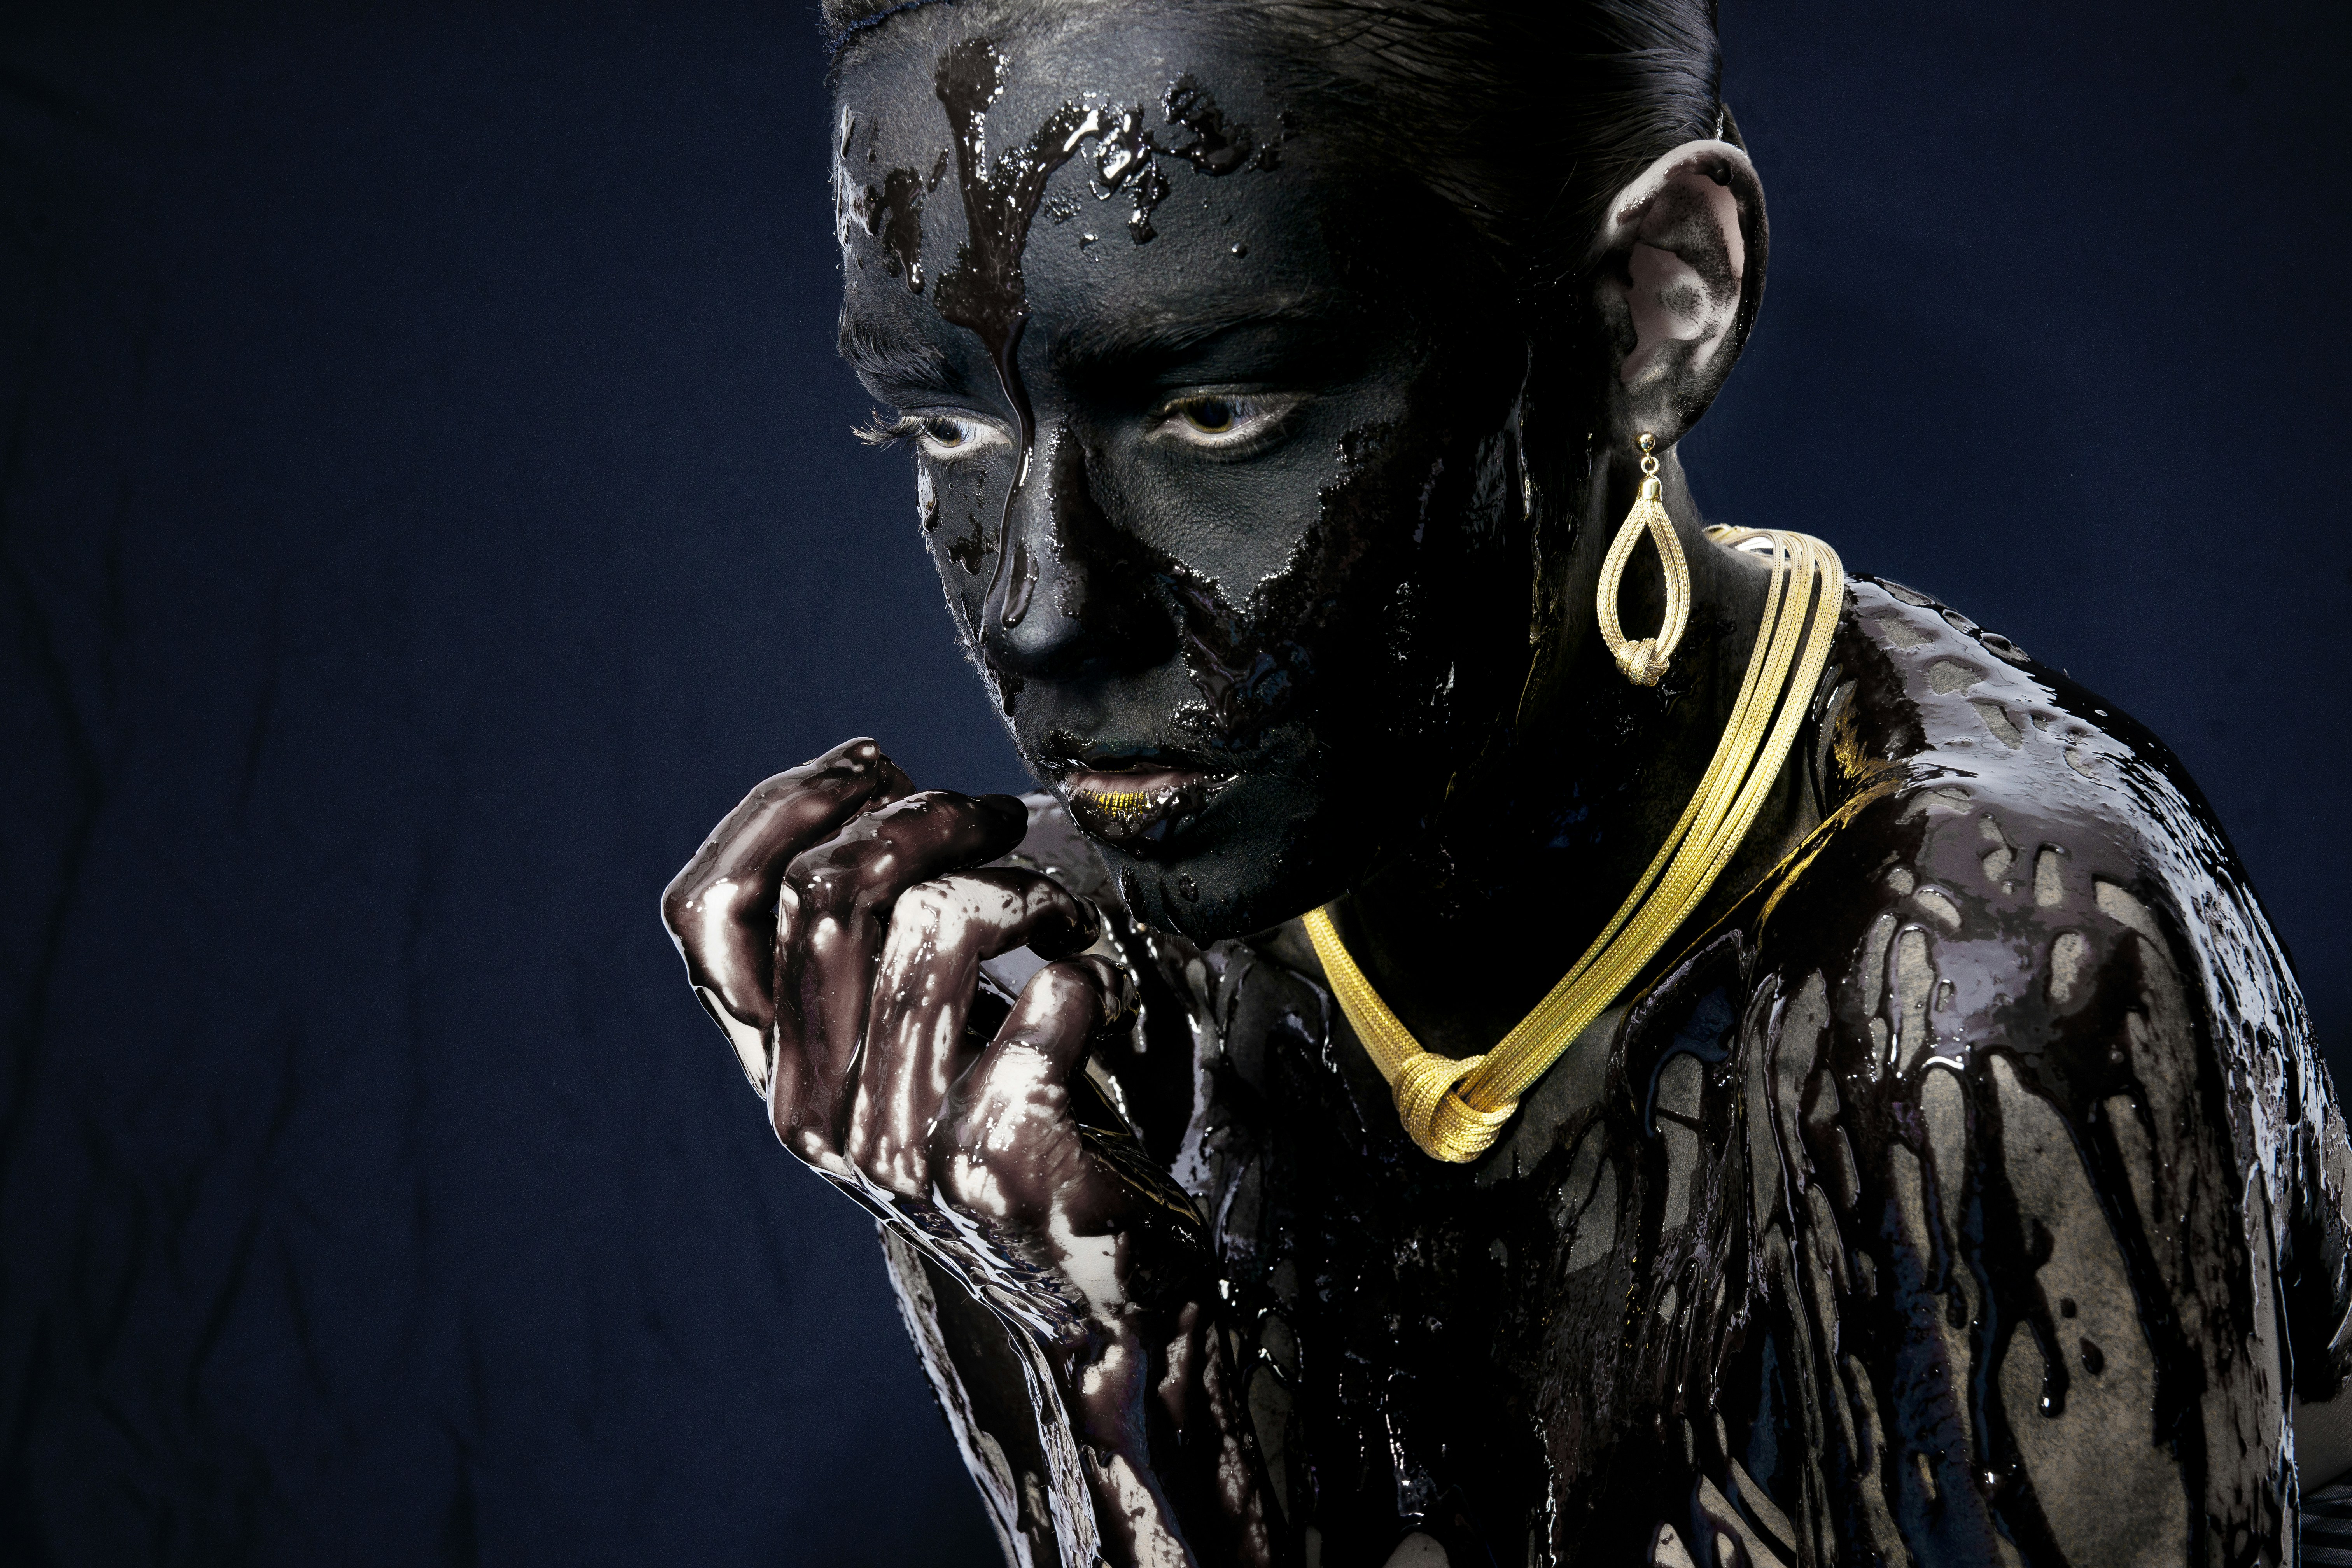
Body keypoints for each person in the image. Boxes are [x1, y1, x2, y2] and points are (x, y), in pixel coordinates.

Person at [660, 2, 2345, 1563]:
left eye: (1220, 405)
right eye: (939, 429)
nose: (1038, 609)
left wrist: (1129, 1397)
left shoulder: (1973, 989)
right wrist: (1073, 1335)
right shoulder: (1083, 990)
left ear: (1651, 309)